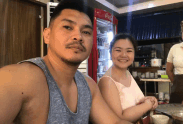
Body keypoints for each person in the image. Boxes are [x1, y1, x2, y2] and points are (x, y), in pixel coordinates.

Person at [0, 1, 132, 124]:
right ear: (47, 35)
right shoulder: (17, 79)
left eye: (86, 32)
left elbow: (115, 122)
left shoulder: (89, 86)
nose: (78, 36)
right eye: (68, 27)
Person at [98, 33, 158, 124]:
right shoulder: (107, 82)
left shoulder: (127, 73)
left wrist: (149, 99)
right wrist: (148, 105)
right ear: (110, 53)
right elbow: (119, 119)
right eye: (118, 50)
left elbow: (133, 101)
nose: (123, 55)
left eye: (129, 51)